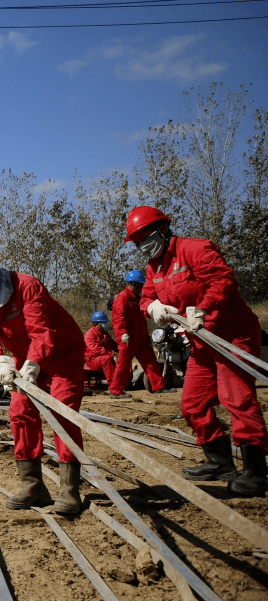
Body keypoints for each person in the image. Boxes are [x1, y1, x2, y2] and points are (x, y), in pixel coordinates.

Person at [125, 205, 267, 497]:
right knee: (192, 403)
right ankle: (220, 461)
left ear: (163, 230)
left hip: (232, 335)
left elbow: (223, 280)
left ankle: (256, 471)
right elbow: (148, 296)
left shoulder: (194, 249)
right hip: (201, 341)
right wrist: (152, 307)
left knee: (237, 399)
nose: (142, 246)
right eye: (137, 243)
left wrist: (203, 309)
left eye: (145, 238)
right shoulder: (155, 267)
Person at [0, 237, 86, 515]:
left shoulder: (26, 285)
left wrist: (33, 365)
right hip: (25, 358)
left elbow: (41, 331)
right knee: (20, 413)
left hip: (62, 355)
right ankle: (33, 486)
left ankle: (70, 492)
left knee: (62, 413)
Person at [111, 270, 167, 396]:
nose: (142, 288)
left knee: (151, 362)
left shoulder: (137, 299)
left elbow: (141, 318)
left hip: (140, 338)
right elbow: (119, 318)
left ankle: (158, 386)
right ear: (134, 284)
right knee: (123, 365)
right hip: (128, 338)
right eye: (140, 285)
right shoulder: (123, 297)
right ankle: (116, 391)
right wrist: (123, 334)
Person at [84, 311, 118, 391]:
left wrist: (123, 349)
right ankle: (113, 387)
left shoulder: (105, 333)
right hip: (92, 360)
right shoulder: (90, 334)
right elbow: (96, 349)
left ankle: (122, 382)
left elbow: (114, 345)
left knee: (122, 357)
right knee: (106, 359)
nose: (106, 324)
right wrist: (111, 354)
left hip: (104, 357)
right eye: (104, 322)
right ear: (98, 323)